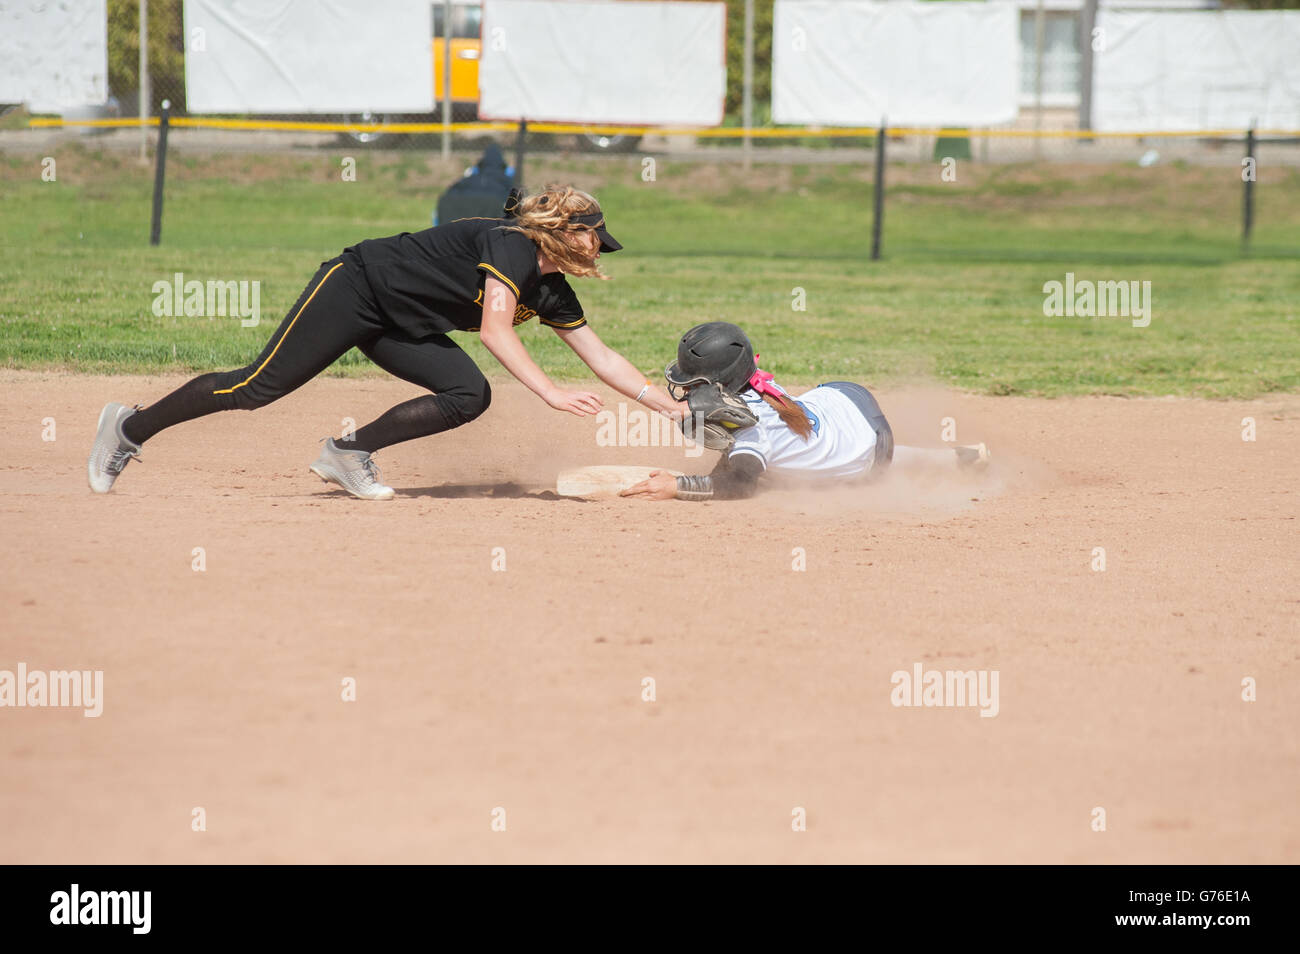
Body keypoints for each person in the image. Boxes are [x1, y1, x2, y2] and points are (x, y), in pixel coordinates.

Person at [88, 185, 684, 499]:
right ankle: (128, 429)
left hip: (403, 325)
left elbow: (603, 358)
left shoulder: (551, 289)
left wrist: (674, 410)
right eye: (594, 239)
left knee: (466, 393)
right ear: (567, 232)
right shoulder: (510, 245)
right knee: (256, 387)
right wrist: (551, 392)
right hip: (358, 290)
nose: (598, 251)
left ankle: (348, 453)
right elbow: (496, 330)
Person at [620, 322, 988, 502]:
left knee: (798, 479)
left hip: (871, 447)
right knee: (823, 450)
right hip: (846, 398)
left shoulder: (751, 427)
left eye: (695, 382)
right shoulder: (753, 385)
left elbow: (741, 485)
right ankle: (957, 458)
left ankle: (950, 461)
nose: (687, 389)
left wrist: (678, 486)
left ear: (720, 382)